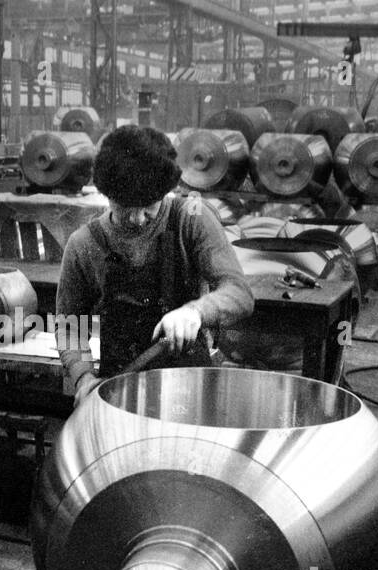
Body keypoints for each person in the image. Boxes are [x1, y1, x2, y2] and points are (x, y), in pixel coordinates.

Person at [54, 125, 254, 405]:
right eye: (124, 207)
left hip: (190, 392)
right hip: (120, 393)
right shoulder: (84, 244)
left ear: (166, 192)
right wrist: (83, 377)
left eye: (149, 205)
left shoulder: (191, 220)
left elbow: (239, 293)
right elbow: (69, 325)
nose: (137, 219)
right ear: (106, 195)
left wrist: (195, 312)